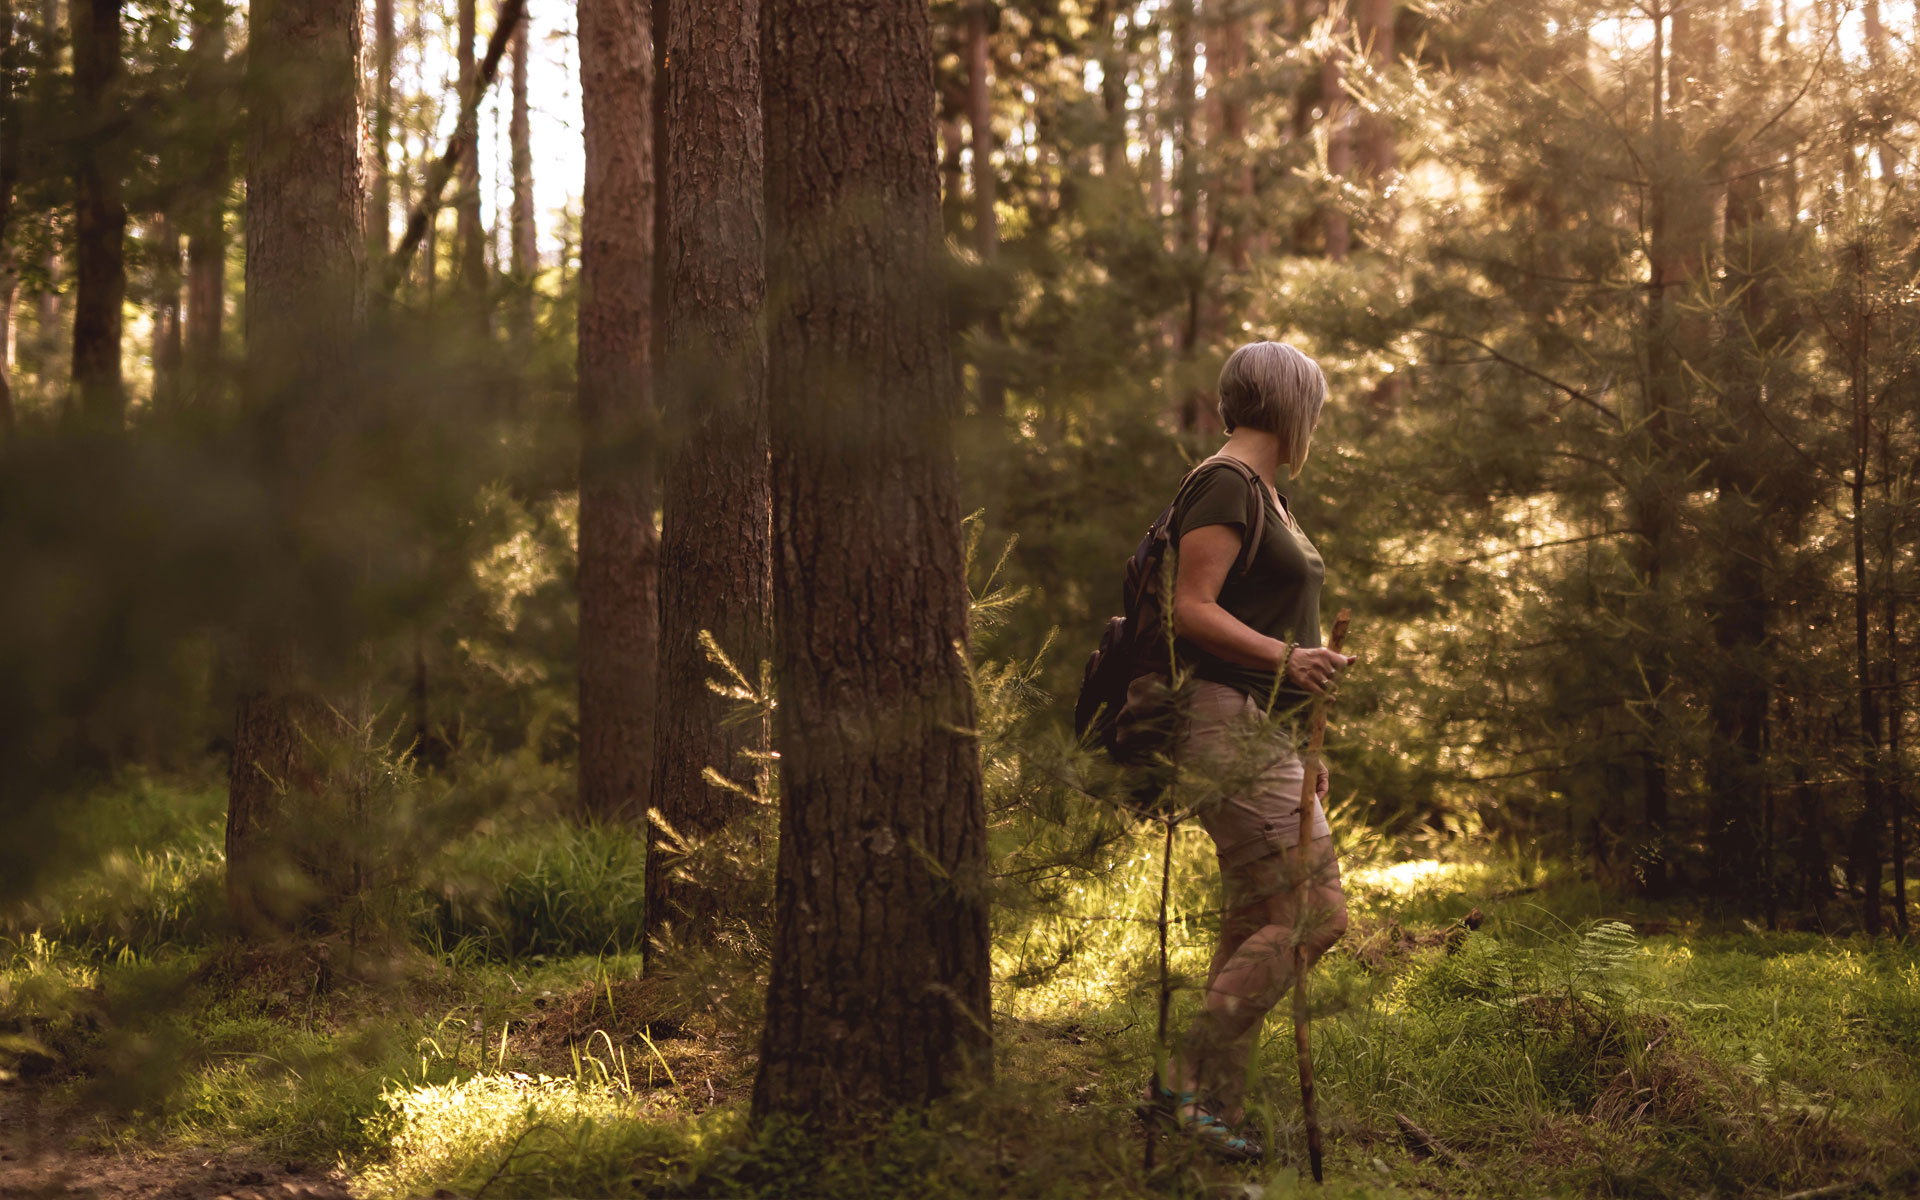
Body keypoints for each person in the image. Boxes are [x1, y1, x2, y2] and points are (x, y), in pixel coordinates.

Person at [1132, 340, 1354, 1162]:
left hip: (1264, 728)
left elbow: (1267, 619)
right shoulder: (1224, 482)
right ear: (1291, 403)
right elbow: (1191, 609)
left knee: (1256, 918)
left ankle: (1204, 1108)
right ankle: (1177, 1081)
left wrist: (1300, 735)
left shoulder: (1267, 495)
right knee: (1313, 913)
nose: (1317, 423)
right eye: (1316, 408)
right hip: (1224, 722)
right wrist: (1289, 660)